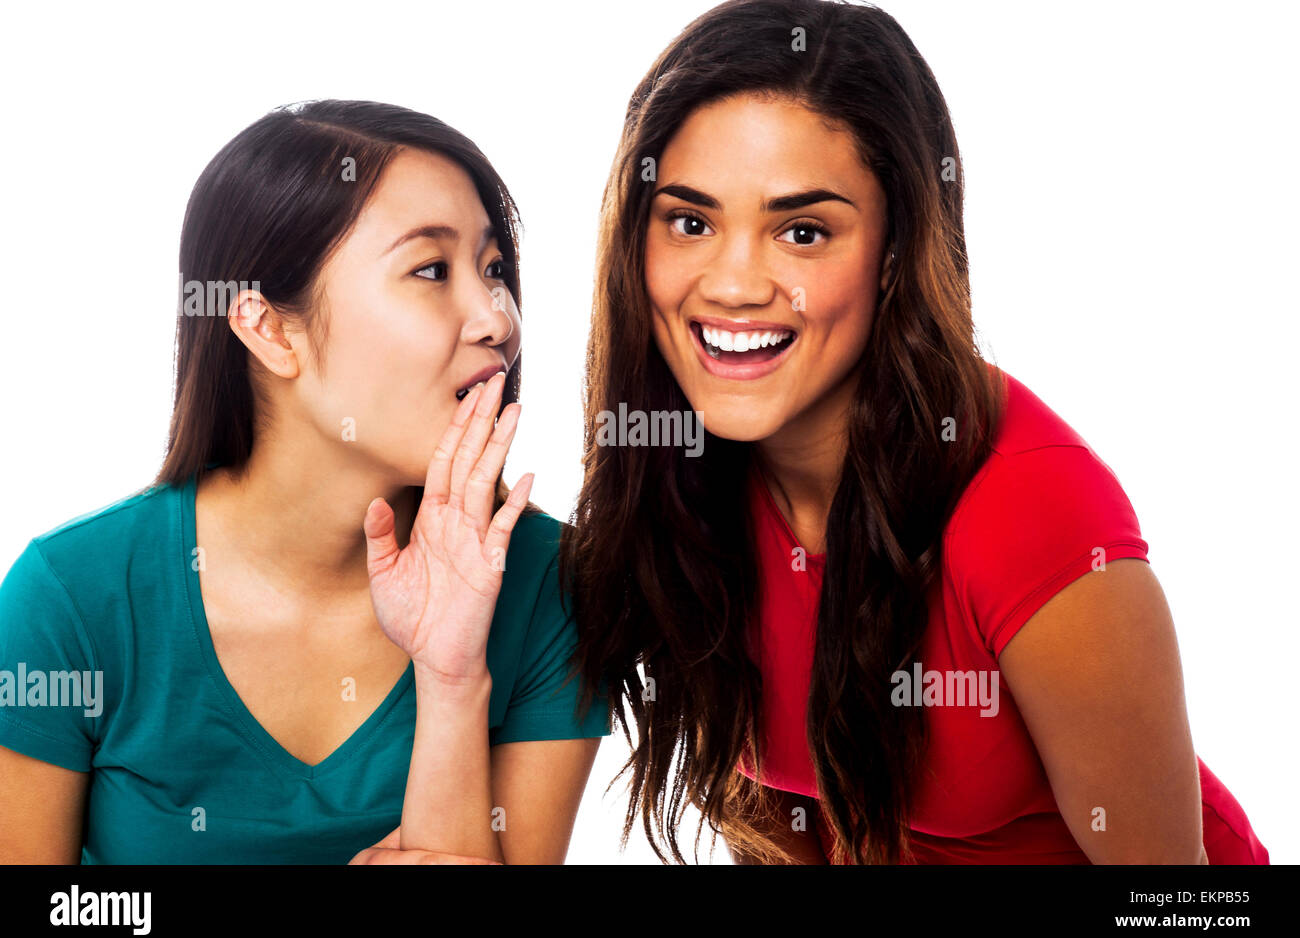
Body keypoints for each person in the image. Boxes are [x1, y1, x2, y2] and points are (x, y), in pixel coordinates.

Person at [559, 0, 1269, 864]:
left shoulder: (1031, 509)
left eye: (803, 231)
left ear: (895, 250)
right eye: (691, 221)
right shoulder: (681, 482)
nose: (734, 284)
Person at [0, 100, 610, 865]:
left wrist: (451, 677)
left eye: (493, 269)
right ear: (269, 330)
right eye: (431, 269)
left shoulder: (550, 583)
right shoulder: (72, 596)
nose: (497, 318)